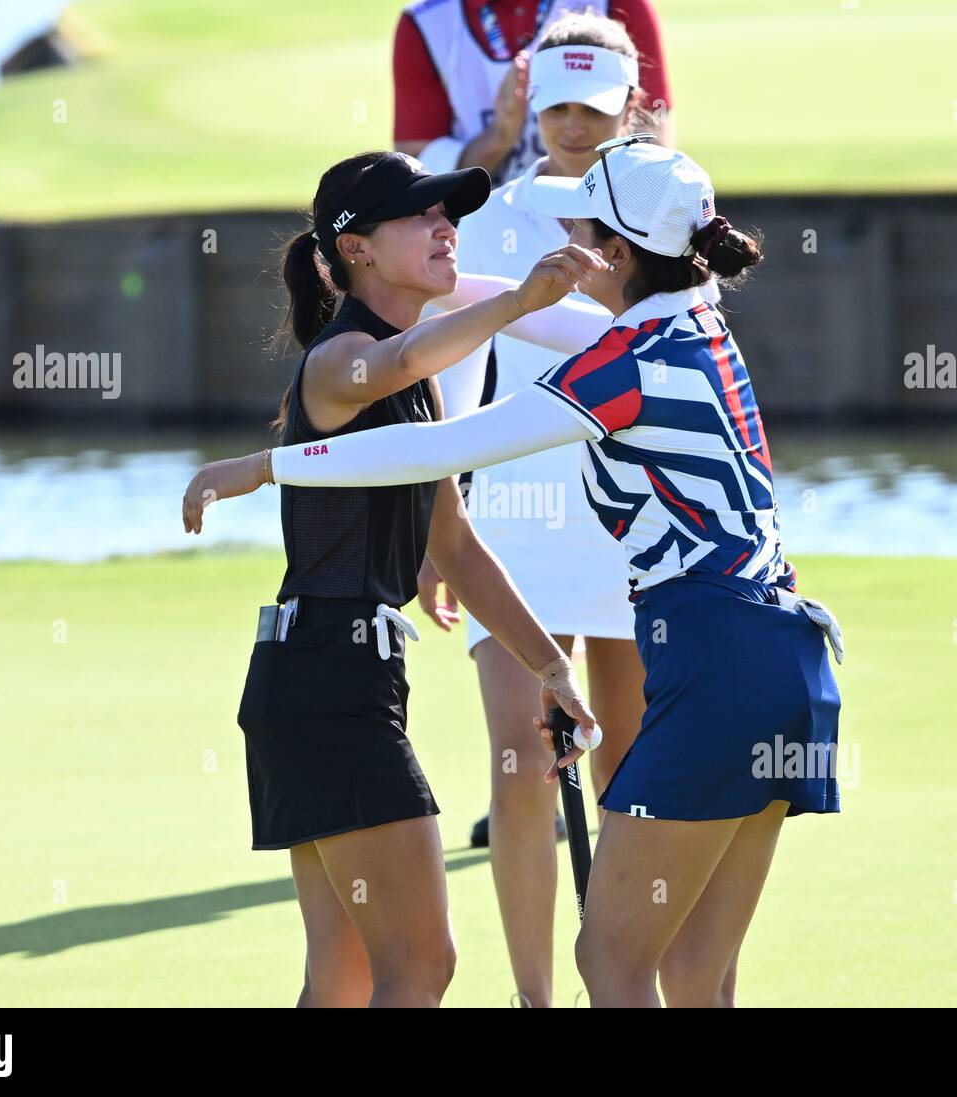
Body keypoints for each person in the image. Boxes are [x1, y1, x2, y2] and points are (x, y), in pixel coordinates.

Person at [183, 137, 845, 1008]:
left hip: (712, 657)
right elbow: (417, 372)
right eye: (420, 215)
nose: (449, 226)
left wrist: (268, 466)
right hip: (787, 659)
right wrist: (551, 663)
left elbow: (450, 476)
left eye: (582, 227)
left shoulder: (622, 359)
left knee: (599, 967)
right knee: (687, 978)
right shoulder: (700, 325)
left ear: (614, 249)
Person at [190, 149, 607, 1008]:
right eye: (420, 216)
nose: (445, 226)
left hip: (326, 682)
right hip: (327, 684)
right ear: (357, 250)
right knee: (420, 967)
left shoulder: (421, 390)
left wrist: (551, 667)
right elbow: (389, 366)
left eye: (448, 212)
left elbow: (454, 545)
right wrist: (517, 304)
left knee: (342, 979)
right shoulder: (342, 360)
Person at [416, 12, 657, 1008]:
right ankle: (533, 998)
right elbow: (449, 388)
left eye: (593, 108)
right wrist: (440, 534)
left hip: (634, 517)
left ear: (630, 106)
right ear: (527, 101)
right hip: (514, 523)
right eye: (555, 105)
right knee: (519, 760)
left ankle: (620, 981)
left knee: (634, 767)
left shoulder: (667, 219)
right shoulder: (490, 222)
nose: (572, 126)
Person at [393, 0, 675, 184]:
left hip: (608, 220)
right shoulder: (426, 22)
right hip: (477, 223)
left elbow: (653, 143)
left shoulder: (619, 4)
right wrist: (499, 136)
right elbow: (418, 175)